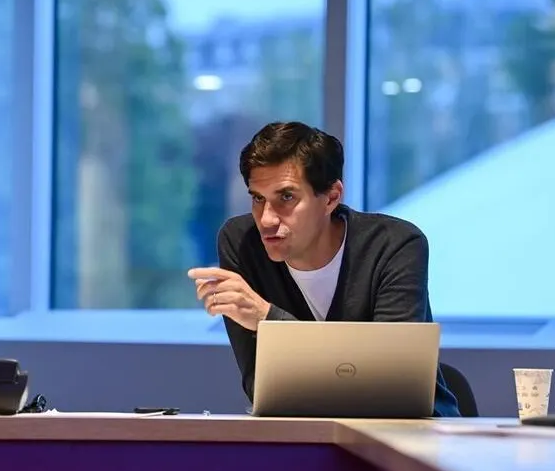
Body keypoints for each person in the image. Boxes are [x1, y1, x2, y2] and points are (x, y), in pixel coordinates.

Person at [187, 121, 459, 417]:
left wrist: (269, 320)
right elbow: (262, 388)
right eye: (258, 198)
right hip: (307, 436)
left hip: (412, 435)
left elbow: (388, 387)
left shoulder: (395, 245)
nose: (265, 220)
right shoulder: (241, 242)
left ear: (331, 197)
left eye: (286, 197)